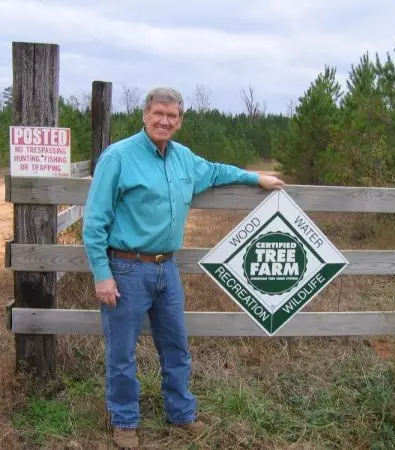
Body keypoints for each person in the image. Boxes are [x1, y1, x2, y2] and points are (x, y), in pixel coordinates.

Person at [82, 86, 285, 448]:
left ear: (180, 120)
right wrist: (102, 274)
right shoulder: (118, 157)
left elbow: (217, 171)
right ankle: (125, 421)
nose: (164, 120)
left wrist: (257, 178)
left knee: (176, 346)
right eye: (158, 113)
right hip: (127, 268)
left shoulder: (184, 158)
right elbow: (94, 223)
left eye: (171, 115)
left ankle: (181, 413)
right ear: (145, 115)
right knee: (121, 351)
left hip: (167, 270)